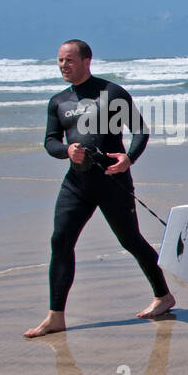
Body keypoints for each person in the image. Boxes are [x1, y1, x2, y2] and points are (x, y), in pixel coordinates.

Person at [24, 40, 174, 338]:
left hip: (112, 180)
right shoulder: (58, 101)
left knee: (130, 239)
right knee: (61, 241)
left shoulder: (111, 94)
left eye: (69, 60)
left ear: (86, 60)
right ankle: (56, 316)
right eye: (59, 61)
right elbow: (50, 141)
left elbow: (140, 130)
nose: (63, 65)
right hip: (77, 183)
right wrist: (67, 151)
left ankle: (163, 296)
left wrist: (128, 158)